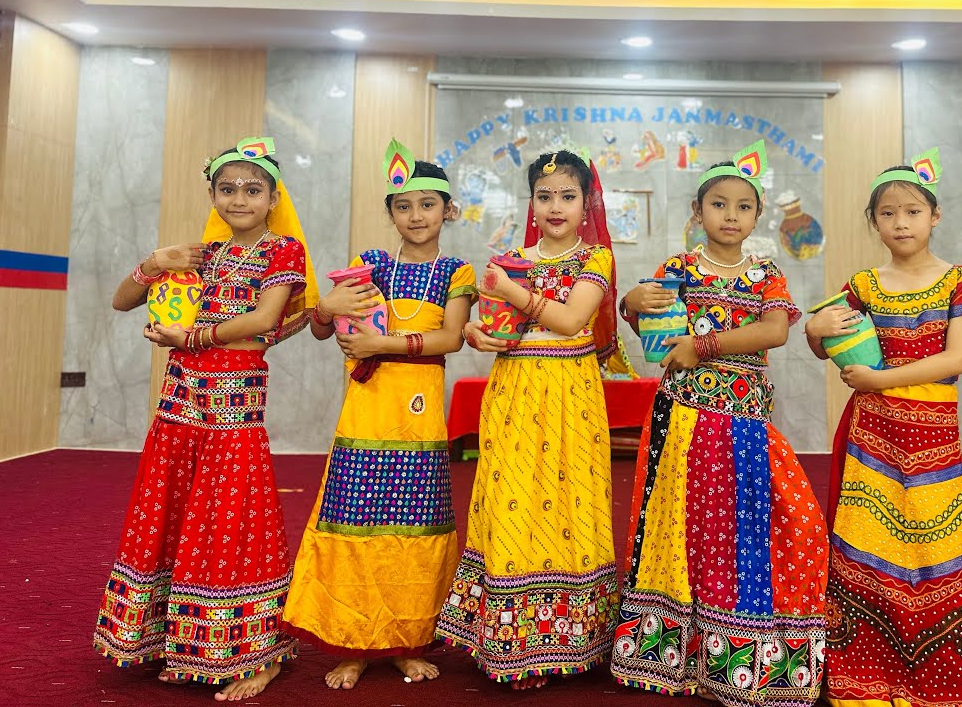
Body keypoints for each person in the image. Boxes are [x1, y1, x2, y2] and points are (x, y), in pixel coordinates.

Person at [94, 137, 317, 701]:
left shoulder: (282, 251)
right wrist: (154, 264)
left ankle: (253, 656)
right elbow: (124, 302)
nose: (238, 198)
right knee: (170, 517)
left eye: (252, 189)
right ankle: (177, 641)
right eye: (227, 188)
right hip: (179, 407)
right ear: (212, 194)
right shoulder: (202, 254)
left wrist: (188, 337)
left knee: (233, 523)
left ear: (272, 197)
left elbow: (266, 319)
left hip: (233, 411)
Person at [613, 140, 829, 707]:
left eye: (742, 206)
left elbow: (775, 332)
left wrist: (702, 344)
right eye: (718, 204)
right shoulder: (678, 269)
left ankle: (737, 653)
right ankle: (675, 654)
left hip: (743, 423)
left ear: (757, 216)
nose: (729, 216)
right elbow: (651, 331)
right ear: (697, 211)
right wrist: (631, 305)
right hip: (682, 419)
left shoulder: (765, 271)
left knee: (746, 529)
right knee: (678, 528)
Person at [806, 149, 962, 707]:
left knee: (936, 549)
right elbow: (824, 342)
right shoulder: (864, 284)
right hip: (875, 436)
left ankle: (943, 679)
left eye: (912, 212)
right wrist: (816, 330)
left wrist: (878, 378)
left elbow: (956, 360)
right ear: (875, 222)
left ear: (934, 216)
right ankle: (866, 674)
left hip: (934, 436)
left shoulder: (957, 281)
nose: (901, 223)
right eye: (888, 214)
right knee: (869, 547)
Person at [282, 141, 475, 690]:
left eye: (427, 205)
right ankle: (354, 644)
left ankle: (408, 641)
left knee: (416, 528)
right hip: (365, 417)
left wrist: (382, 344)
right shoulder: (372, 265)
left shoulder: (457, 271)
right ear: (390, 213)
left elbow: (450, 338)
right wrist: (329, 313)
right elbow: (327, 327)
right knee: (356, 524)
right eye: (403, 205)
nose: (416, 216)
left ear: (448, 210)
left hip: (416, 421)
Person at [437, 150, 619, 690]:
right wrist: (475, 333)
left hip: (571, 395)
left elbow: (569, 321)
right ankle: (514, 641)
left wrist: (511, 289)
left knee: (571, 501)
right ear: (531, 203)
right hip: (515, 390)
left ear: (587, 203)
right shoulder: (512, 256)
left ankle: (572, 638)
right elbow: (490, 325)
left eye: (568, 196)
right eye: (545, 196)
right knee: (513, 498)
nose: (556, 206)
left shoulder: (596, 260)